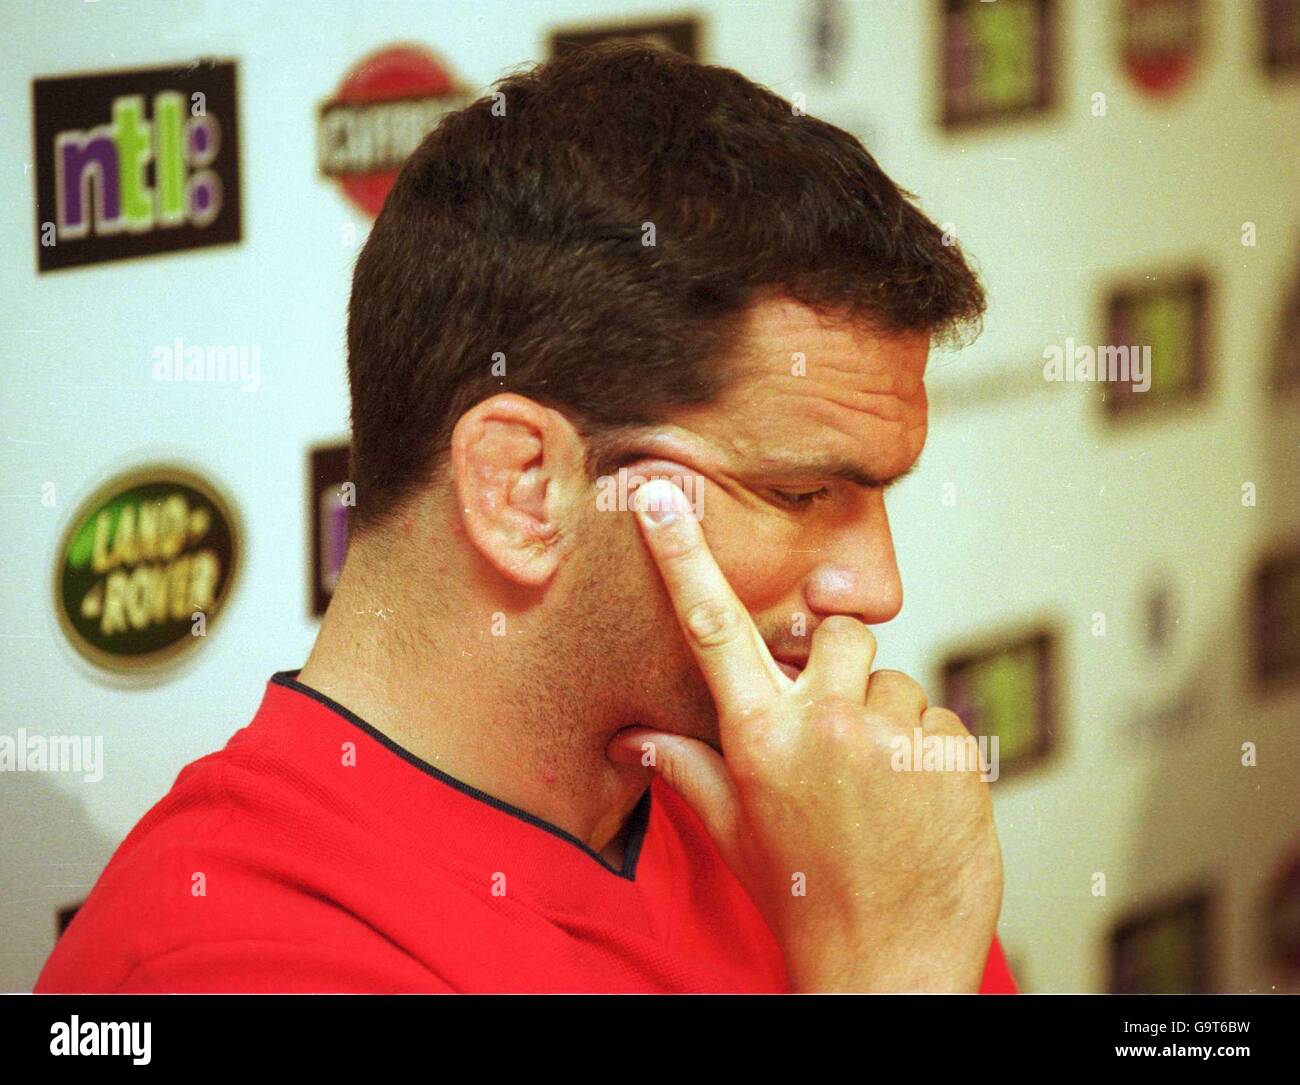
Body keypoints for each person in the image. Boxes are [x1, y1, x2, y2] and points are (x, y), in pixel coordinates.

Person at [37, 40, 1016, 994]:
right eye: (802, 493)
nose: (879, 589)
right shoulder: (219, 957)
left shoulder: (826, 824)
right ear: (520, 487)